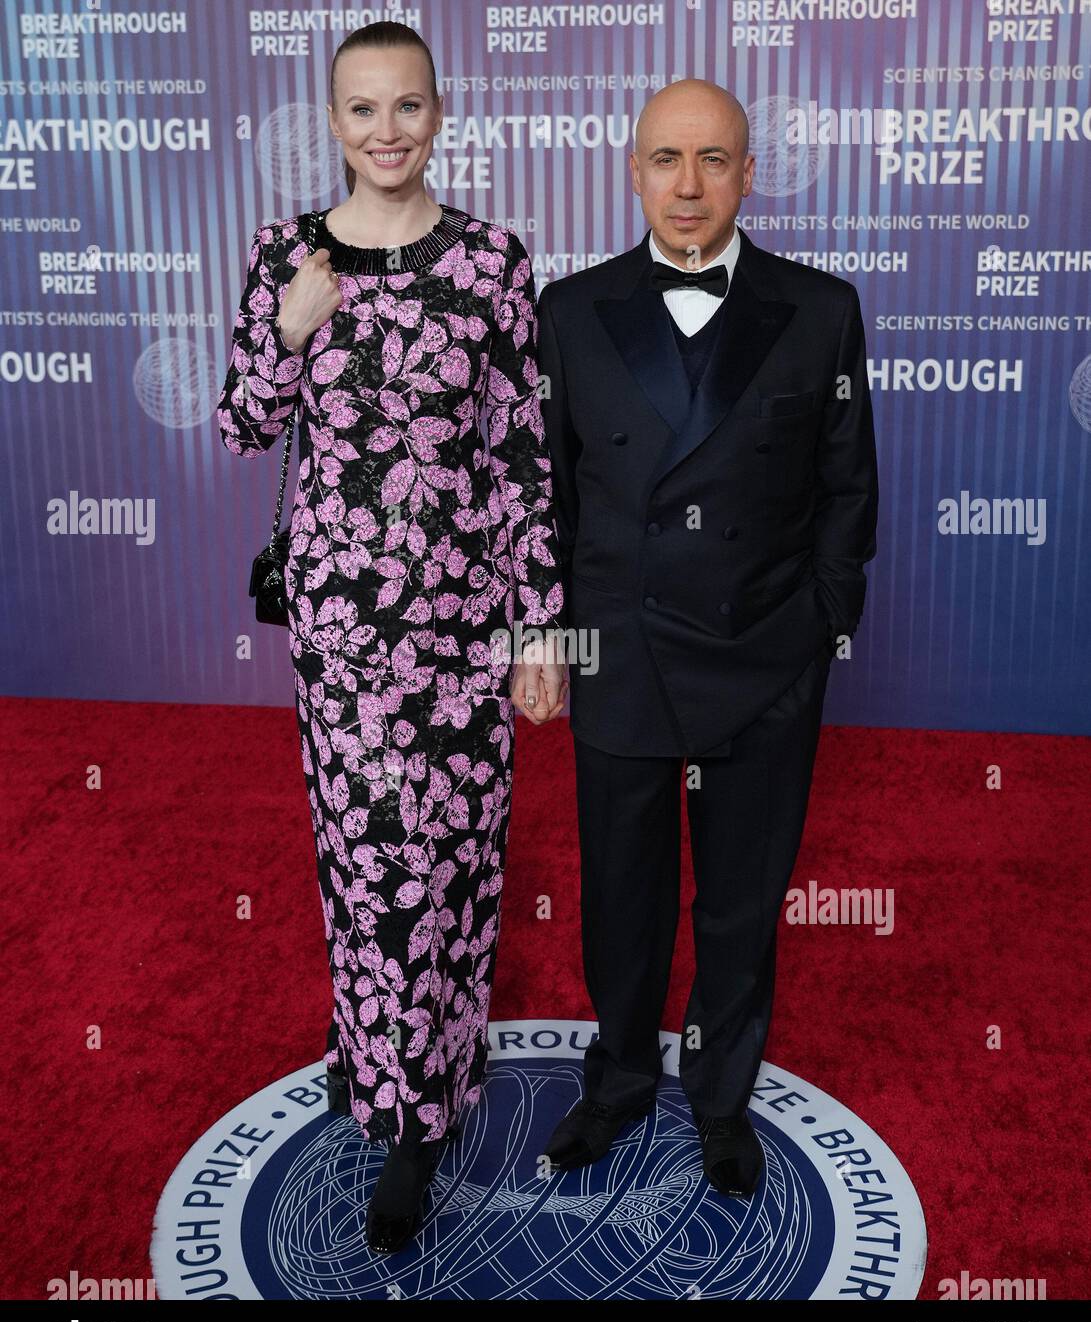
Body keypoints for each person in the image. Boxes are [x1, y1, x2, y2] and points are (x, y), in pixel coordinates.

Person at [216, 21, 567, 1254]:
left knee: (459, 859)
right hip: (341, 627)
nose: (384, 131)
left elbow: (523, 455)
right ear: (330, 122)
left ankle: (432, 1082)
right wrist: (292, 327)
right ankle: (386, 1075)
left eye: (405, 106)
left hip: (466, 617)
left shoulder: (489, 264)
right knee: (367, 861)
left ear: (439, 114)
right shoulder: (283, 258)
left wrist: (540, 630)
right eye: (361, 109)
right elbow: (242, 424)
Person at [535, 80, 879, 1197]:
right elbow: (549, 497)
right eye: (666, 160)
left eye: (713, 159)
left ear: (746, 171)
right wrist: (553, 635)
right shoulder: (569, 310)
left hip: (765, 656)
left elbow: (845, 489)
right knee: (618, 894)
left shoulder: (819, 309)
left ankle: (720, 1099)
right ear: (632, 171)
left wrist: (820, 619)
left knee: (738, 896)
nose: (688, 186)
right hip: (617, 653)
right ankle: (619, 1081)